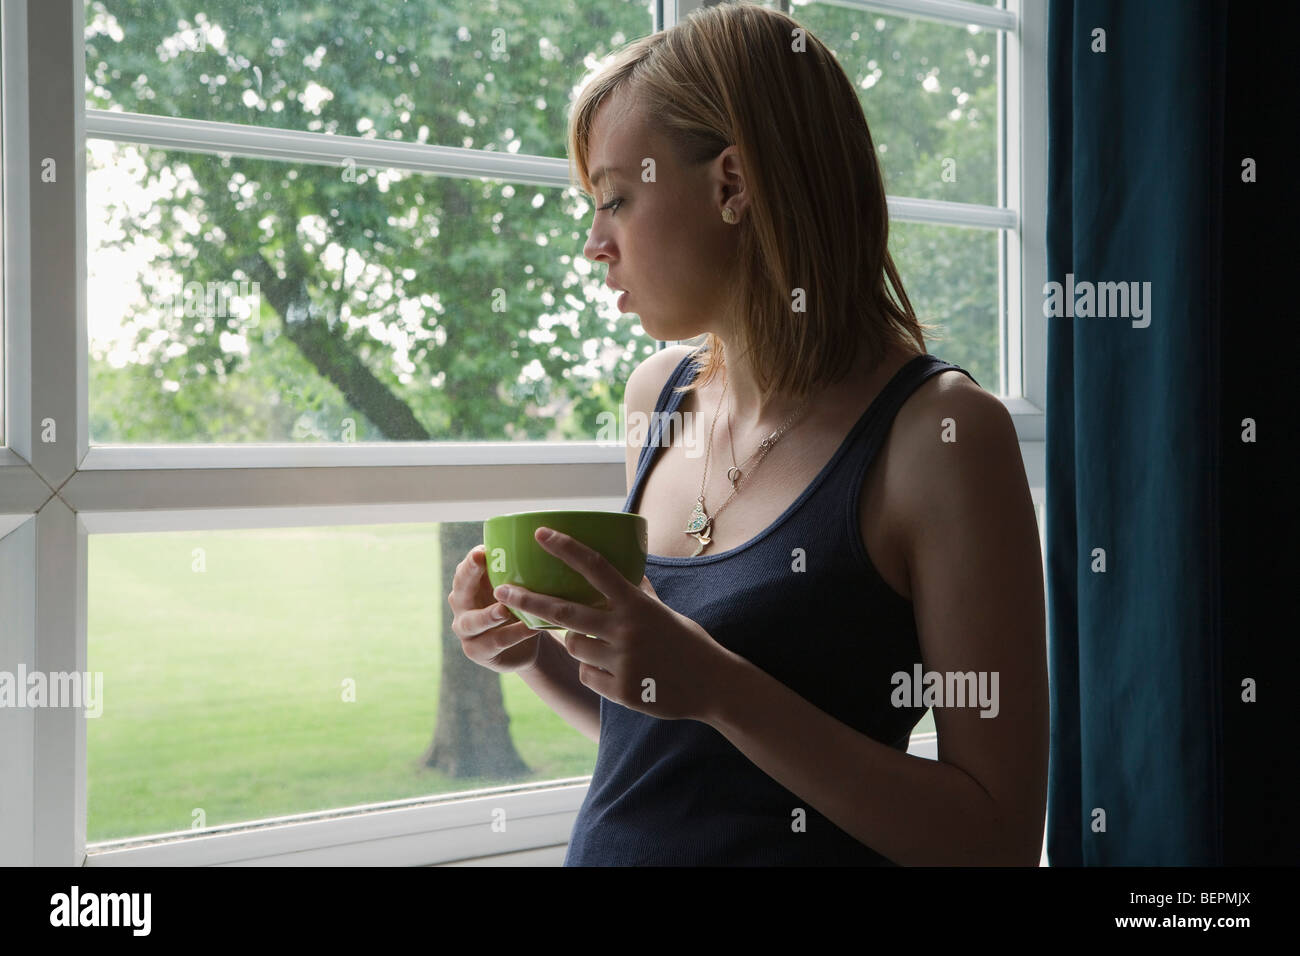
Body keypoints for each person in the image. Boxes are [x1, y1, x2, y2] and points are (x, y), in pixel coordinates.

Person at [448, 1, 1047, 866]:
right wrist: (533, 649)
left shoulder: (943, 438)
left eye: (616, 197)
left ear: (732, 185)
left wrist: (723, 688)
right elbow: (669, 743)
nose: (593, 244)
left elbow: (995, 840)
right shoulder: (658, 398)